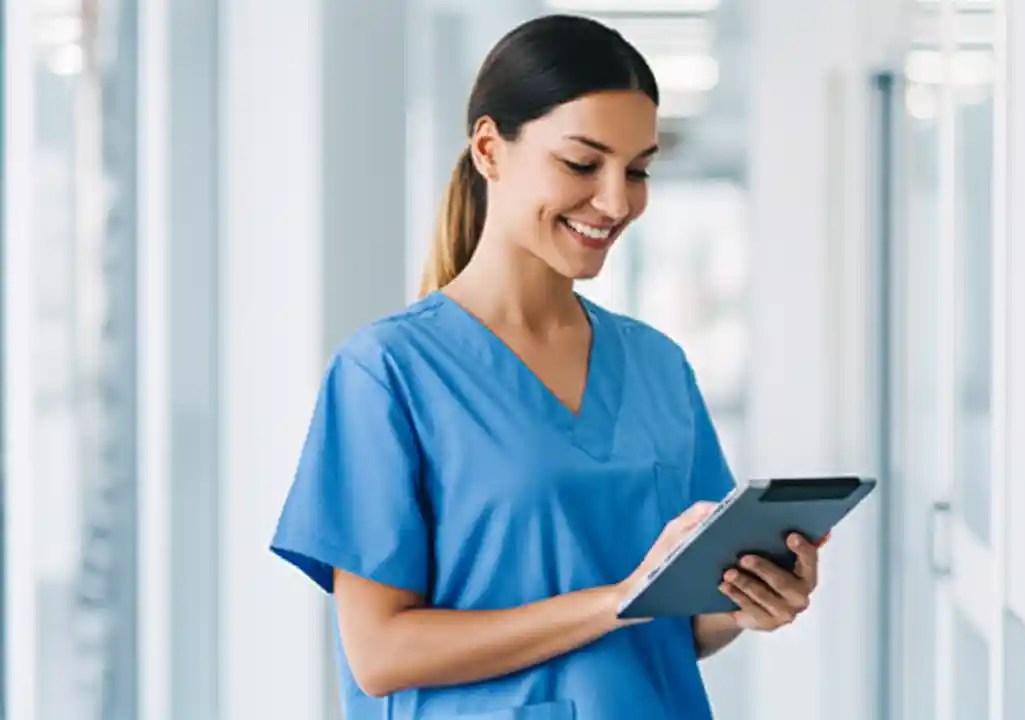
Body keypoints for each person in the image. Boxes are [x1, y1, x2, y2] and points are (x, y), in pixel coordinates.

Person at [270, 14, 825, 720]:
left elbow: (679, 621)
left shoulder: (656, 365)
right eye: (582, 163)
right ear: (489, 149)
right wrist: (616, 601)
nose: (617, 201)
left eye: (639, 169)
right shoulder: (388, 373)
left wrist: (748, 603)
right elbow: (381, 654)